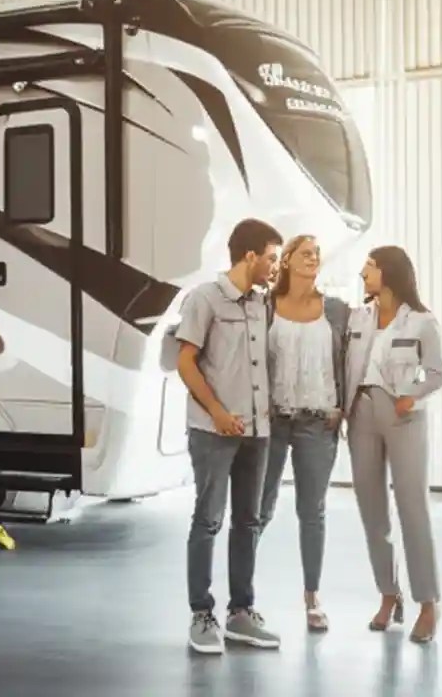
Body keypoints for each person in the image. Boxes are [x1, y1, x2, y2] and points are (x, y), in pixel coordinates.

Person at [175, 217, 284, 654]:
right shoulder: (205, 299)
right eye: (272, 258)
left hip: (257, 432)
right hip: (213, 432)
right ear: (250, 256)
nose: (276, 267)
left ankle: (241, 613)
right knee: (208, 521)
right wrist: (217, 412)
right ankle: (201, 614)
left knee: (248, 521)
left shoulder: (262, 305)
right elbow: (186, 362)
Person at [344, 245, 442, 644]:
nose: (363, 273)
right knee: (373, 514)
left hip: (404, 417)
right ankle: (389, 595)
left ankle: (428, 603)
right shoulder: (358, 318)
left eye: (368, 267)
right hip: (361, 415)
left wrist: (413, 395)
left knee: (412, 510)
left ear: (388, 272)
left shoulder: (422, 321)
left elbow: (438, 373)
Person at [257, 234, 350, 632]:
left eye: (317, 253)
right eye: (306, 252)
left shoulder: (336, 310)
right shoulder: (265, 308)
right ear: (289, 260)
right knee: (259, 509)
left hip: (318, 420)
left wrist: (343, 404)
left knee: (311, 511)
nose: (314, 258)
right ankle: (241, 597)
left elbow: (353, 356)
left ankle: (312, 597)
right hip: (273, 420)